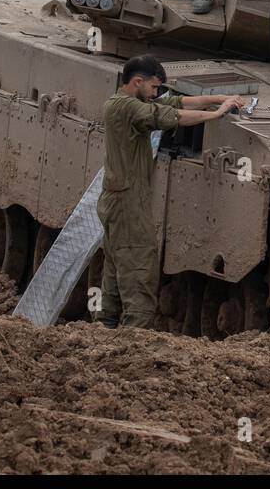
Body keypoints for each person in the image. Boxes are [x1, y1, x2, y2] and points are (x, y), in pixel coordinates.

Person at [95, 55, 244, 328]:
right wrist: (216, 114)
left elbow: (176, 102)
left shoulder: (131, 102)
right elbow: (170, 115)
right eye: (153, 87)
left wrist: (221, 98)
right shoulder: (127, 108)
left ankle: (104, 328)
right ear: (137, 82)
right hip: (127, 203)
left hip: (120, 199)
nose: (156, 93)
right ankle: (131, 341)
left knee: (116, 266)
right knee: (140, 267)